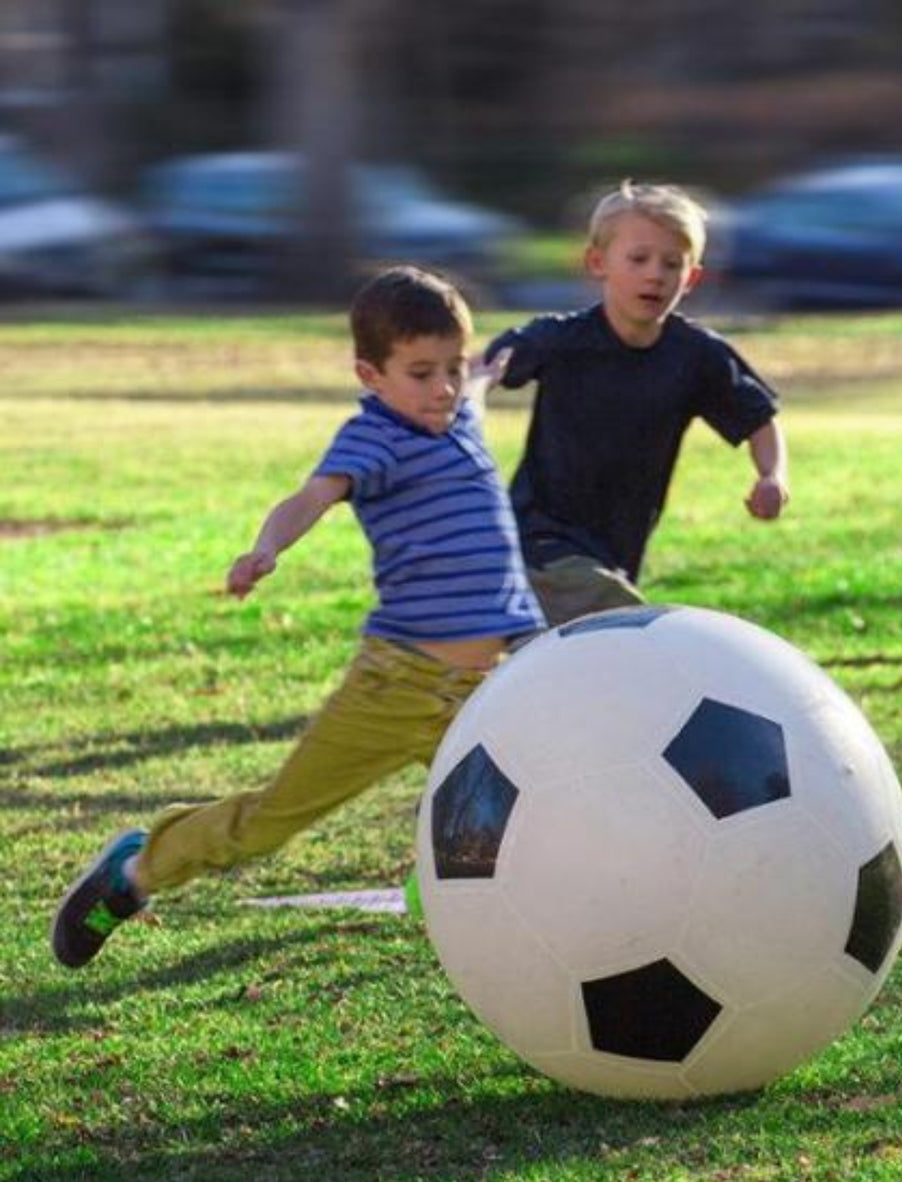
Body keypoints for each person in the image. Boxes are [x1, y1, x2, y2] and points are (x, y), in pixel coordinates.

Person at [51, 265, 543, 968]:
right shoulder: (372, 439)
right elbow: (310, 498)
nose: (440, 387)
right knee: (267, 825)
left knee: (526, 814)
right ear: (370, 375)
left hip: (480, 690)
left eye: (451, 366)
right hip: (396, 686)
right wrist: (266, 548)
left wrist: (488, 374)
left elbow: (470, 394)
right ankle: (135, 872)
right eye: (420, 372)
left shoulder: (455, 413)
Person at [482, 179, 789, 626]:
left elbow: (759, 417)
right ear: (597, 262)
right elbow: (485, 368)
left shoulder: (696, 355)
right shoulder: (561, 339)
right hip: (539, 540)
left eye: (671, 263)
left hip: (616, 551)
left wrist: (771, 476)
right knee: (627, 628)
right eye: (638, 259)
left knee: (567, 651)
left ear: (692, 278)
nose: (654, 275)